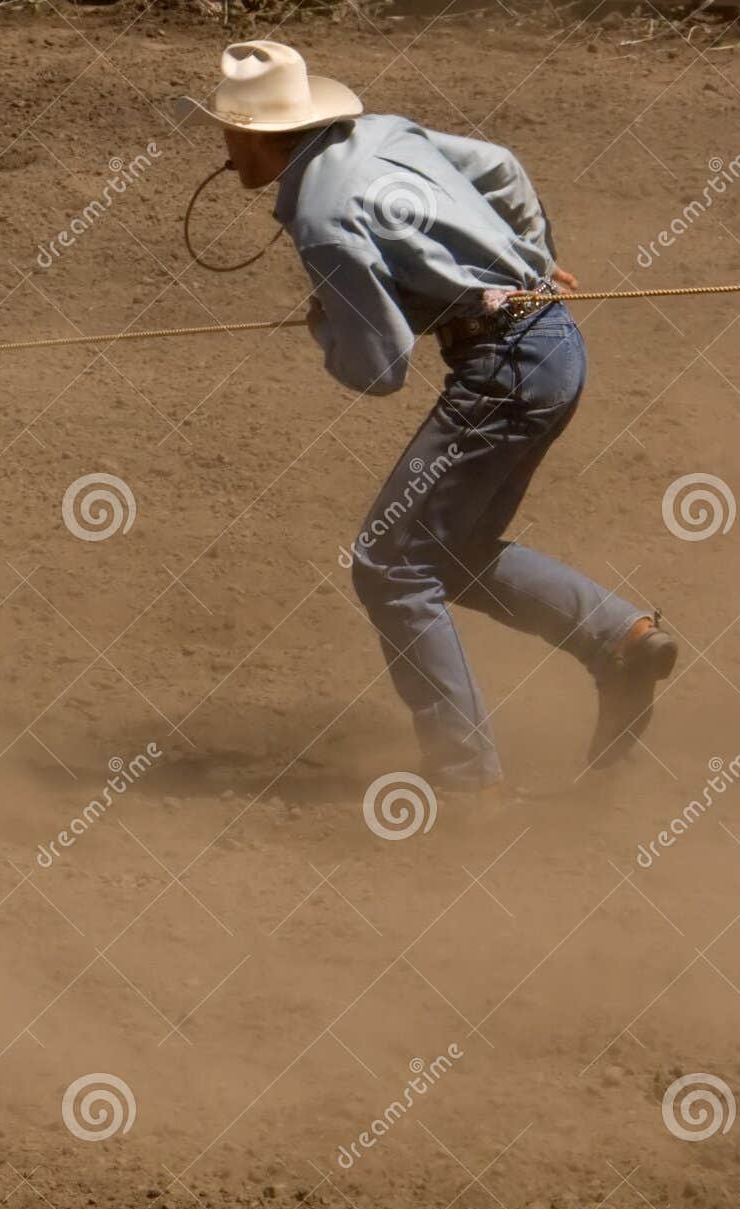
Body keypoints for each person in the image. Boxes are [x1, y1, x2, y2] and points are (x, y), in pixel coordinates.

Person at [177, 41, 676, 793]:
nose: (223, 144)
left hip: (502, 371)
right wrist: (531, 262)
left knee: (388, 564)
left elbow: (378, 369)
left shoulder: (321, 219)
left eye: (226, 129)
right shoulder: (383, 131)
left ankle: (463, 778)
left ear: (251, 135)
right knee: (446, 549)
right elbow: (501, 166)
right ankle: (620, 640)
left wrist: (325, 322)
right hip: (552, 349)